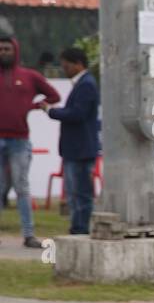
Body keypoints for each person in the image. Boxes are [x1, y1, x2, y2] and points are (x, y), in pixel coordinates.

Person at [0, 35, 60, 247]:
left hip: (19, 141)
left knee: (22, 187)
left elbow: (54, 96)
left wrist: (36, 106)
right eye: (1, 49)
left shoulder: (29, 76)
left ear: (15, 51)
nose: (4, 53)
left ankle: (28, 235)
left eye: (7, 49)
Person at [41, 47, 99, 235]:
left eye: (66, 65)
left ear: (77, 64)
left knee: (81, 193)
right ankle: (78, 227)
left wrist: (51, 111)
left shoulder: (86, 85)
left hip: (80, 149)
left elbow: (77, 114)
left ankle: (80, 229)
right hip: (75, 149)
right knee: (75, 193)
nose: (64, 69)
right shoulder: (82, 84)